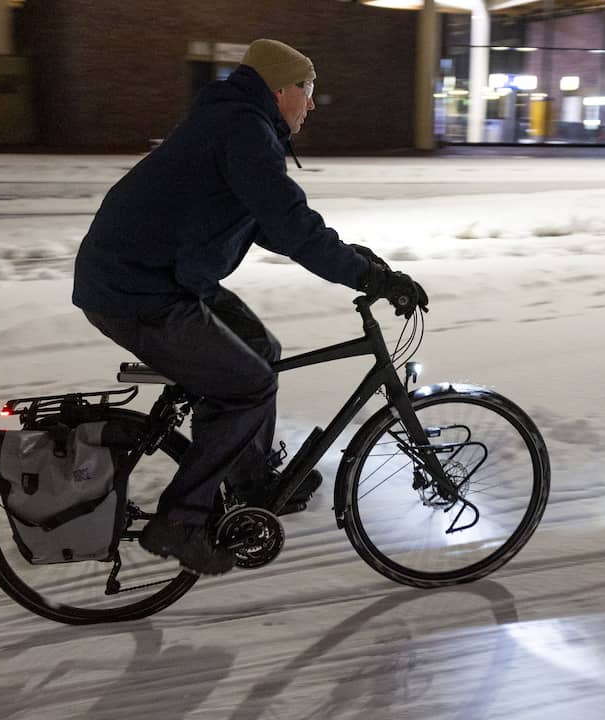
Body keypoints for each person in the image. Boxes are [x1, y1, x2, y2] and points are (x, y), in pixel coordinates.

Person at [72, 39, 428, 575]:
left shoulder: (235, 122)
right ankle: (181, 522)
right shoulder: (243, 130)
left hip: (161, 274)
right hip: (138, 288)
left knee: (261, 348)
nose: (311, 103)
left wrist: (361, 260)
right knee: (247, 386)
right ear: (279, 88)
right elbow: (293, 226)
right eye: (307, 89)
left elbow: (272, 223)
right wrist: (370, 278)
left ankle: (251, 481)